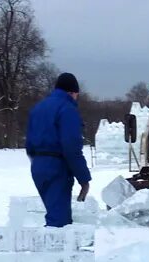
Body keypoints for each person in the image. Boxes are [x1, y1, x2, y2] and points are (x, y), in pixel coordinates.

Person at [25, 72, 91, 227]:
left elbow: (29, 145)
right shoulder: (67, 109)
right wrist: (83, 179)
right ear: (72, 92)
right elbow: (71, 147)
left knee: (54, 214)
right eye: (76, 95)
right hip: (57, 167)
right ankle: (50, 250)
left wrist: (39, 163)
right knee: (58, 224)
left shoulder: (38, 108)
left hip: (38, 166)